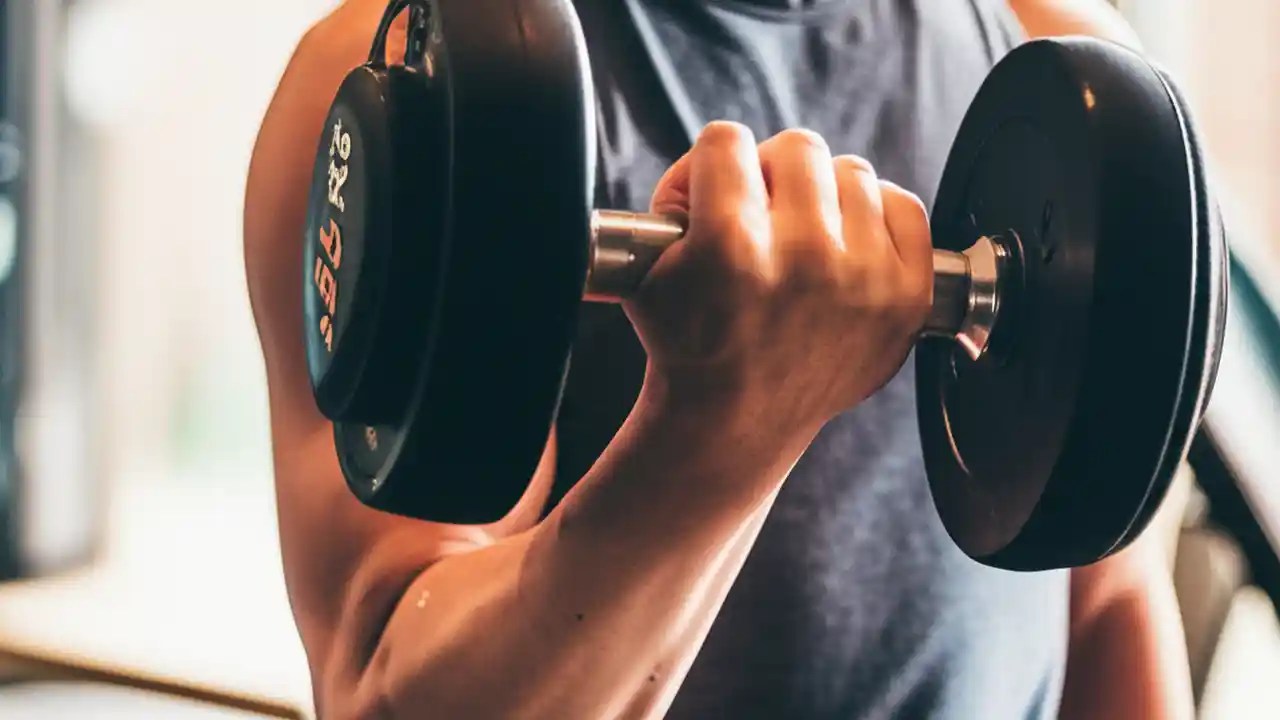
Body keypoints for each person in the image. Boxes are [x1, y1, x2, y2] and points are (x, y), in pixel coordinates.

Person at [244, 1, 1193, 718]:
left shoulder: (1057, 57)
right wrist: (728, 421)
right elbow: (382, 683)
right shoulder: (434, 65)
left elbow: (1110, 597)